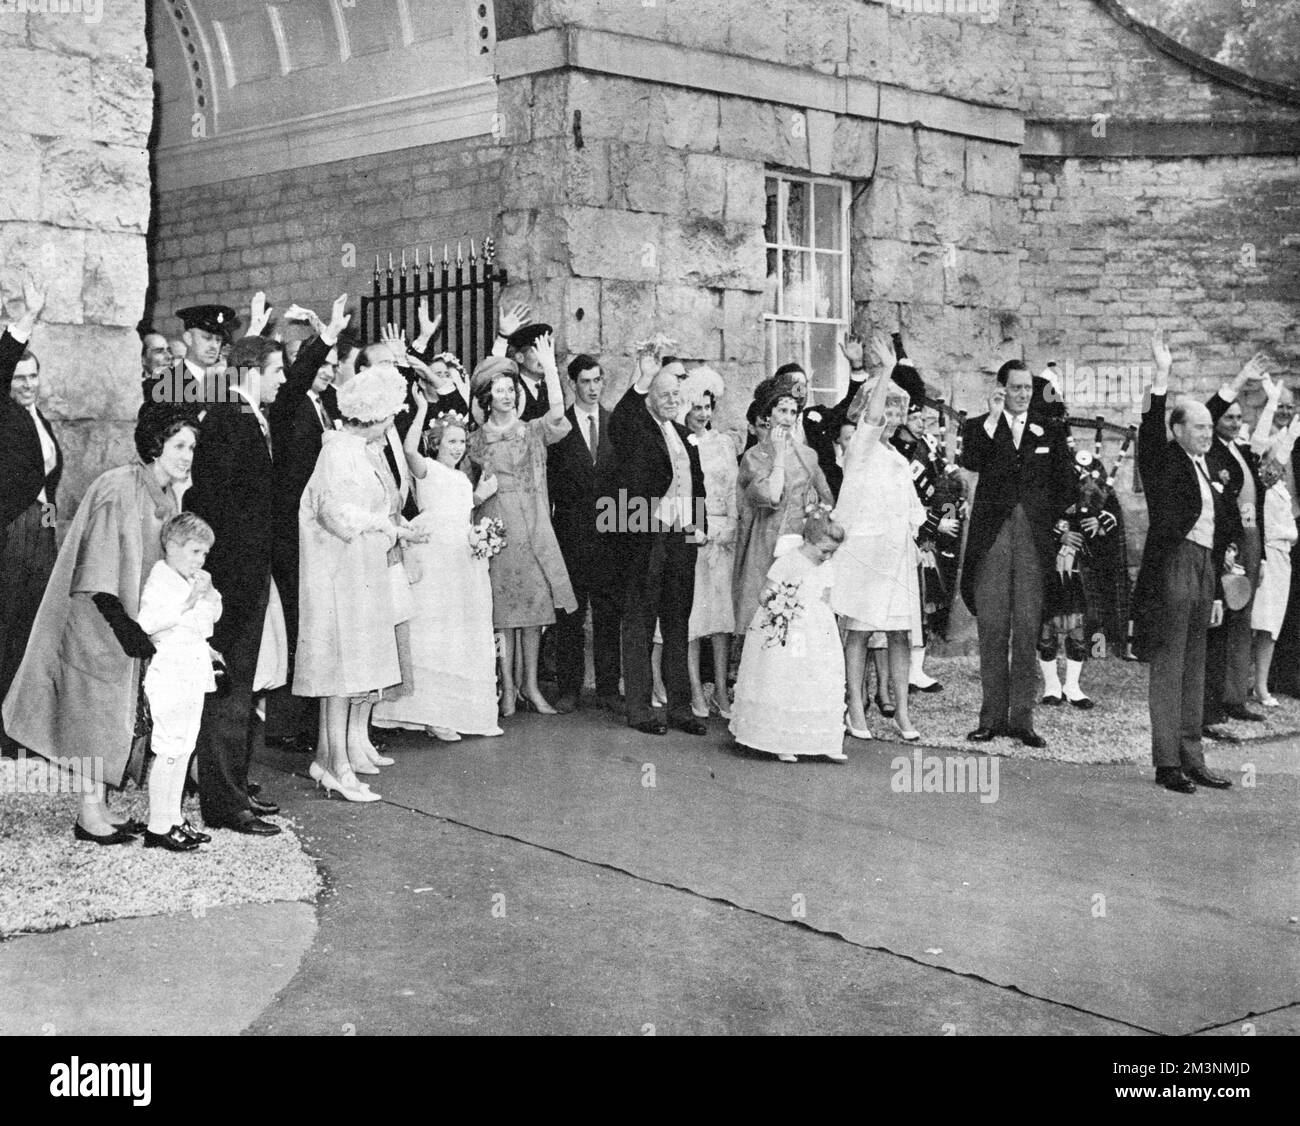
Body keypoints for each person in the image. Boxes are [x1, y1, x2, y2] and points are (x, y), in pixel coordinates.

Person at [3, 407, 197, 842]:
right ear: (155, 446)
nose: (188, 455)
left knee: (113, 717)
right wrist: (124, 626)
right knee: (94, 716)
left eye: (192, 447)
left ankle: (100, 807)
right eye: (179, 445)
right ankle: (89, 816)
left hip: (125, 621)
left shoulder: (165, 493)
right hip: (98, 617)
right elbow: (98, 563)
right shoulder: (119, 487)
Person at [296, 363, 424, 801]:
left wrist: (396, 530)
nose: (391, 422)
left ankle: (330, 759)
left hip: (359, 572)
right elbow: (337, 514)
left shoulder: (357, 451)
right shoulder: (338, 452)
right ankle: (336, 765)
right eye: (389, 415)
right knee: (340, 673)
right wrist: (390, 528)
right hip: (338, 576)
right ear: (374, 416)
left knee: (348, 674)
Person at [186, 334, 287, 835]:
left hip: (248, 574)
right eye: (276, 370)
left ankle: (236, 787)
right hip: (233, 579)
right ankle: (224, 805)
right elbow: (213, 502)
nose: (282, 380)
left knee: (242, 688)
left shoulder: (244, 416)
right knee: (227, 690)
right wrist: (217, 579)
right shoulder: (228, 419)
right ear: (251, 371)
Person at [1132, 329, 1238, 792]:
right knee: (1170, 663)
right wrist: (1162, 374)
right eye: (1198, 427)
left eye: (1209, 429)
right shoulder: (1163, 459)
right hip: (1173, 564)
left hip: (1204, 568)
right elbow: (1151, 427)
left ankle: (1192, 756)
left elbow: (1220, 529)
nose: (1207, 433)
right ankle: (1166, 762)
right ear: (1177, 431)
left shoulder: (1207, 465)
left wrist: (1216, 588)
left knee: (1196, 664)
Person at [373, 391, 502, 740]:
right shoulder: (427, 469)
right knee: (433, 633)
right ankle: (429, 713)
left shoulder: (462, 479)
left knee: (458, 633)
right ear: (437, 443)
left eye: (462, 441)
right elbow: (410, 450)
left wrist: (480, 506)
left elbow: (459, 510)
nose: (458, 447)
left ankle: (457, 710)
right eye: (451, 441)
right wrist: (422, 409)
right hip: (435, 558)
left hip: (462, 559)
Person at [959, 358, 1075, 748]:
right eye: (1016, 388)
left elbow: (1066, 484)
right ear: (1001, 389)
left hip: (1033, 543)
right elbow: (972, 463)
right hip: (993, 540)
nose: (1023, 394)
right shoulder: (979, 428)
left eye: (1028, 388)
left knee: (1027, 629)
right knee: (993, 629)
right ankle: (991, 718)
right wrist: (994, 422)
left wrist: (1059, 524)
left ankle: (1021, 720)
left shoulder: (1050, 430)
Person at [606, 344, 709, 736]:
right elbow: (621, 421)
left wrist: (699, 525)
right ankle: (640, 708)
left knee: (678, 624)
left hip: (681, 539)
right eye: (663, 395)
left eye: (675, 396)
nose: (670, 401)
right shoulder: (636, 427)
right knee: (640, 623)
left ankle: (681, 708)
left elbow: (695, 484)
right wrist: (644, 376)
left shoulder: (685, 434)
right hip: (645, 540)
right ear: (650, 396)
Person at [467, 343, 575, 715]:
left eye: (511, 389)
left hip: (532, 530)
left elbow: (558, 414)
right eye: (500, 390)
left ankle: (531, 685)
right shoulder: (476, 440)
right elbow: (464, 491)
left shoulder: (531, 431)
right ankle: (508, 688)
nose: (508, 395)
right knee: (503, 614)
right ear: (487, 398)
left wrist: (549, 367)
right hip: (496, 531)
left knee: (534, 612)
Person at [265, 294, 351, 753]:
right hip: (291, 529)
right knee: (297, 621)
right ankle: (285, 725)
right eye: (320, 363)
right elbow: (298, 379)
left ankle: (318, 721)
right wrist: (325, 335)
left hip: (323, 528)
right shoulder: (288, 405)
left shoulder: (328, 405)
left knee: (318, 620)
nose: (327, 371)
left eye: (333, 365)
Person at [831, 334, 927, 743]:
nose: (889, 414)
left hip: (895, 554)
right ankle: (855, 708)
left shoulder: (897, 459)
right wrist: (883, 372)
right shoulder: (860, 448)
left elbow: (912, 513)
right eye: (883, 404)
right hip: (864, 552)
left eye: (895, 407)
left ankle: (902, 714)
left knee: (901, 634)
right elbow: (868, 423)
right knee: (859, 629)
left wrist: (913, 540)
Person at [730, 509, 848, 762]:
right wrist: (778, 602)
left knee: (818, 676)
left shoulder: (827, 567)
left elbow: (826, 598)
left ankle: (821, 739)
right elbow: (764, 594)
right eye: (824, 551)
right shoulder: (788, 561)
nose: (827, 557)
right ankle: (781, 739)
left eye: (832, 553)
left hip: (816, 630)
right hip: (787, 627)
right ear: (808, 541)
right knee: (786, 676)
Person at [136, 513, 223, 851]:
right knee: (169, 750)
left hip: (191, 672)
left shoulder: (191, 579)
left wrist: (209, 591)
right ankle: (158, 825)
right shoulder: (160, 579)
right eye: (194, 552)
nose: (200, 560)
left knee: (184, 749)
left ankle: (173, 818)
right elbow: (148, 623)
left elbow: (211, 619)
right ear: (172, 547)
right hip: (170, 675)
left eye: (204, 554)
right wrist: (189, 602)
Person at [1, 280, 61, 755]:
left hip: (41, 526)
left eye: (32, 376)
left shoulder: (37, 417)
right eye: (18, 377)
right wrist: (27, 320)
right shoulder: (4, 412)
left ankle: (21, 726)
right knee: (7, 622)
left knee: (33, 622)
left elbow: (48, 476)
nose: (26, 384)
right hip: (13, 528)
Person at [546, 353, 621, 713]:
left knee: (608, 613)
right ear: (573, 384)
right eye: (586, 382)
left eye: (598, 380)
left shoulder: (614, 424)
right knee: (569, 615)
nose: (593, 388)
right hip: (570, 534)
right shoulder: (560, 429)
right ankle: (569, 688)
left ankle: (608, 688)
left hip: (608, 537)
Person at [733, 376, 833, 635]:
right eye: (782, 411)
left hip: (800, 545)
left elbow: (826, 498)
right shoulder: (753, 457)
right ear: (769, 415)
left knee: (800, 619)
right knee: (766, 616)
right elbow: (771, 496)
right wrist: (778, 454)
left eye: (793, 412)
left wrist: (815, 520)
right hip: (765, 545)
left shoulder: (808, 455)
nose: (788, 418)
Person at [1203, 356, 1270, 727]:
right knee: (1224, 618)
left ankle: (1235, 695)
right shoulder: (1210, 451)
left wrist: (1256, 555)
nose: (1234, 423)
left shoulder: (1240, 452)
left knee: (1243, 617)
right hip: (1227, 544)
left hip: (1249, 540)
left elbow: (1254, 501)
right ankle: (1215, 701)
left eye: (1238, 418)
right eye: (1227, 418)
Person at [1038, 447, 1125, 709]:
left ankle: (1072, 687)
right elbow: (1036, 516)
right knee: (1047, 628)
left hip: (1081, 570)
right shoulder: (1050, 473)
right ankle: (1052, 686)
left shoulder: (1096, 472)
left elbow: (1112, 512)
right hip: (1051, 567)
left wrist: (1101, 523)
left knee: (1078, 630)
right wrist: (1058, 535)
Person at [677, 365, 738, 718]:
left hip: (722, 537)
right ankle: (694, 690)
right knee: (694, 618)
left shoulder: (724, 442)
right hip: (694, 534)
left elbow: (731, 488)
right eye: (696, 407)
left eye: (707, 407)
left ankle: (721, 689)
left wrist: (730, 526)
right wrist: (692, 529)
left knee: (721, 619)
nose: (702, 414)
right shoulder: (680, 443)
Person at [1249, 376, 1300, 706]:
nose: (1275, 463)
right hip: (1263, 554)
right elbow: (1262, 444)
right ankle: (1241, 682)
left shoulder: (1280, 487)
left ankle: (1263, 685)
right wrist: (1270, 404)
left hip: (1284, 554)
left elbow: (1289, 439)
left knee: (1272, 624)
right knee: (1255, 621)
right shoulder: (1260, 481)